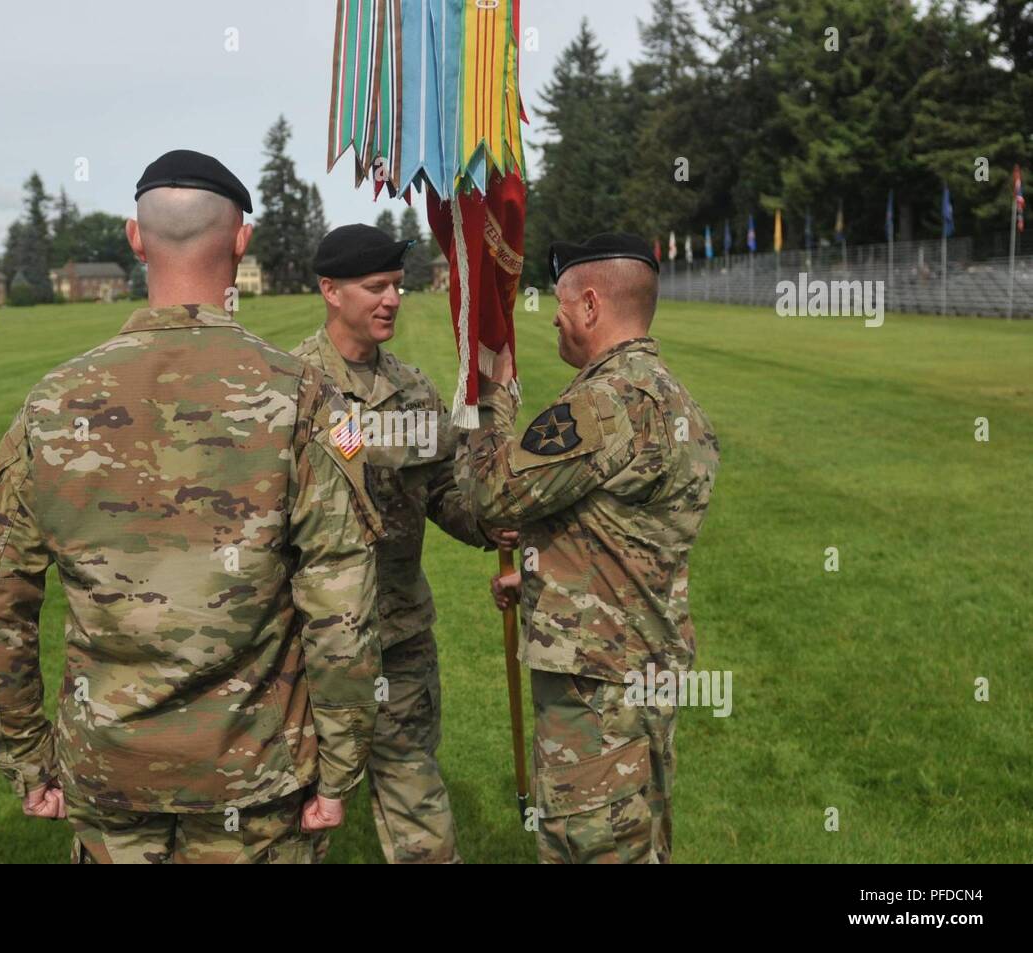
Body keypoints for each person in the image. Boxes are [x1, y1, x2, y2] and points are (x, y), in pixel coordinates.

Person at [0, 150, 383, 864]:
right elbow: (341, 604)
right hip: (253, 777)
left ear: (134, 238)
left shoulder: (53, 402)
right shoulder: (305, 396)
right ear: (241, 240)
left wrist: (26, 758)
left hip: (110, 771)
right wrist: (339, 769)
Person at [464, 233, 720, 863]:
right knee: (640, 841)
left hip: (596, 692)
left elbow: (493, 494)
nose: (552, 316)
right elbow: (634, 542)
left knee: (592, 845)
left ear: (590, 304)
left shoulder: (605, 402)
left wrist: (493, 398)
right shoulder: (673, 396)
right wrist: (541, 576)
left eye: (559, 302)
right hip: (642, 672)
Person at [292, 224, 501, 863]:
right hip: (309, 641)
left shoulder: (414, 388)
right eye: (375, 286)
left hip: (398, 633)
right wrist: (436, 436)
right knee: (294, 805)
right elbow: (349, 448)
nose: (391, 300)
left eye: (397, 287)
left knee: (414, 787)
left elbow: (446, 495)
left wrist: (495, 519)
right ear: (330, 290)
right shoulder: (292, 387)